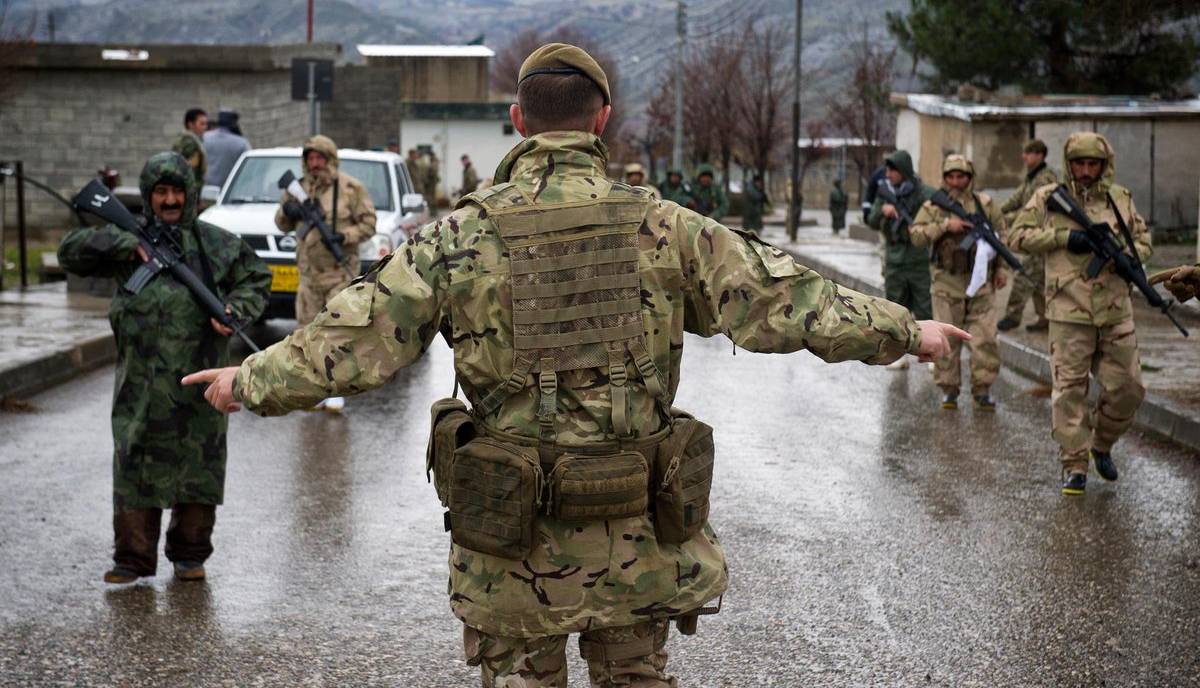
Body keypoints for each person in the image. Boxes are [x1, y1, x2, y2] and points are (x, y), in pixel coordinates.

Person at [183, 43, 969, 686]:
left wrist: (245, 381)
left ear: (517, 120)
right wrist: (910, 333)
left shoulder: (461, 235)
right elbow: (785, 299)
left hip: (512, 540)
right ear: (603, 120)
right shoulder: (666, 227)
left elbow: (353, 341)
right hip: (638, 532)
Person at [57, 152, 271, 584]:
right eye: (161, 192)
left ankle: (190, 555)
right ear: (148, 196)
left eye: (177, 191)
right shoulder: (127, 239)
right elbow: (69, 253)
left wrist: (235, 309)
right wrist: (121, 242)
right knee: (134, 462)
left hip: (199, 383)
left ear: (190, 195)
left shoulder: (215, 243)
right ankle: (131, 559)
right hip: (139, 384)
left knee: (199, 466)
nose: (170, 200)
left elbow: (257, 278)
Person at [1009, 132, 1150, 495]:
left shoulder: (1121, 199)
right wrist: (1063, 238)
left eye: (1093, 164)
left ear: (1105, 166)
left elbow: (1145, 241)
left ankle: (1101, 443)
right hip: (1069, 312)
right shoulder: (1047, 198)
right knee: (1069, 391)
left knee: (1130, 388)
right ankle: (1074, 464)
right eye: (1080, 164)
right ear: (1070, 164)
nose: (1086, 171)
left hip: (1116, 310)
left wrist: (1132, 258)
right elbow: (1017, 237)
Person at [275, 134, 377, 412]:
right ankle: (311, 390)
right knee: (306, 333)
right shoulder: (298, 188)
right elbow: (281, 223)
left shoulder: (350, 189)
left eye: (320, 158)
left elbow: (369, 223)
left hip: (338, 274)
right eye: (311, 158)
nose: (315, 163)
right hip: (308, 276)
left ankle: (335, 389)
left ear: (331, 159)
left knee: (336, 333)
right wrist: (288, 210)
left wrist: (344, 237)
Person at [909, 155, 1007, 410]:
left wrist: (1003, 269)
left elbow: (1002, 237)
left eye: (961, 176)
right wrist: (944, 225)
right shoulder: (934, 206)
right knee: (946, 342)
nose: (955, 181)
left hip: (981, 285)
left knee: (985, 339)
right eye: (950, 176)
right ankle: (949, 390)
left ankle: (982, 389)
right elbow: (917, 237)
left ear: (970, 177)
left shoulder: (984, 204)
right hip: (946, 285)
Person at [867, 149, 934, 368]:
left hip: (917, 260)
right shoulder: (885, 192)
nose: (887, 174)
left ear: (903, 171)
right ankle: (898, 356)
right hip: (894, 259)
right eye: (887, 169)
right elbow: (871, 219)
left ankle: (930, 353)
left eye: (892, 170)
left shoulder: (922, 192)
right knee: (894, 310)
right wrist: (883, 210)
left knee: (924, 307)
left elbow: (936, 206)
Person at [998, 138, 1058, 332]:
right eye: (1024, 152)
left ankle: (1012, 316)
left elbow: (1030, 210)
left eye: (1029, 153)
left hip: (1042, 234)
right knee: (1038, 280)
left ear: (1040, 155)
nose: (1025, 156)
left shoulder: (1044, 179)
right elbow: (1017, 197)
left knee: (1024, 276)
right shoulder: (1032, 176)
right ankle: (1046, 317)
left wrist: (1005, 219)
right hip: (1032, 235)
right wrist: (996, 212)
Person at [203, 109, 251, 187]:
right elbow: (248, 171)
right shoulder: (242, 143)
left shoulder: (204, 138)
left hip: (205, 191)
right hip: (229, 193)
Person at [171, 108, 208, 189]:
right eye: (202, 124)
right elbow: (190, 175)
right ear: (190, 124)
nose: (205, 127)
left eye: (206, 124)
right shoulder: (191, 145)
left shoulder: (182, 141)